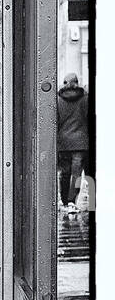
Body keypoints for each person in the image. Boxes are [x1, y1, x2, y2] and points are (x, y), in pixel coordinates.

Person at [57, 73, 90, 213]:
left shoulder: (58, 100)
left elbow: (56, 121)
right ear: (77, 82)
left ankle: (64, 201)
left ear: (65, 83)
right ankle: (72, 201)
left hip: (64, 142)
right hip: (81, 142)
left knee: (65, 173)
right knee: (76, 174)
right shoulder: (85, 99)